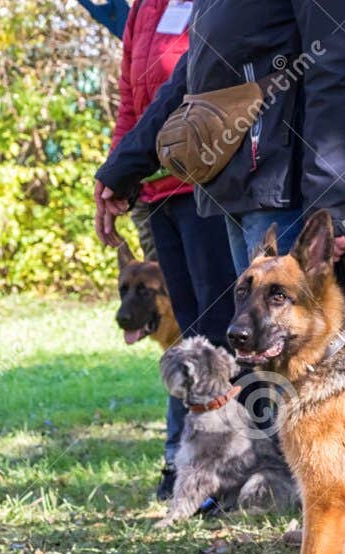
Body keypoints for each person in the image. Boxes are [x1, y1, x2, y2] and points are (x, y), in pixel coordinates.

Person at [93, 0, 345, 316]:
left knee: (294, 343)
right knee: (257, 342)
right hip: (242, 183)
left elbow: (338, 68)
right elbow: (193, 71)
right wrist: (126, 164)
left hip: (294, 191)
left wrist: (325, 208)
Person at [96, 0, 238, 500]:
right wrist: (115, 177)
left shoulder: (212, 6)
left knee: (218, 332)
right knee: (186, 339)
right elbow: (130, 108)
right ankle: (185, 462)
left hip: (207, 187)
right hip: (155, 196)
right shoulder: (144, 10)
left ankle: (226, 472)